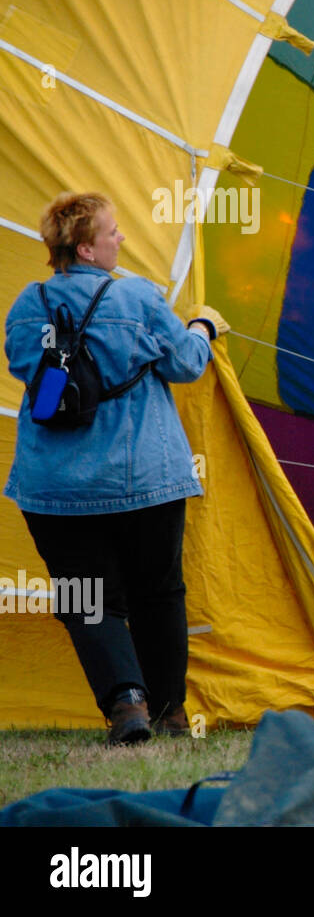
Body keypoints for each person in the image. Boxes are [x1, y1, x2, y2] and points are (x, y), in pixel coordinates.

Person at [4, 191, 227, 745]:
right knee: (158, 593)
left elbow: (26, 369)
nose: (120, 239)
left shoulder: (26, 307)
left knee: (86, 596)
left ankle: (126, 704)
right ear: (85, 248)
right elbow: (185, 365)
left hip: (55, 489)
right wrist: (203, 326)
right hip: (144, 479)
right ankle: (171, 712)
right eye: (112, 232)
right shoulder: (138, 297)